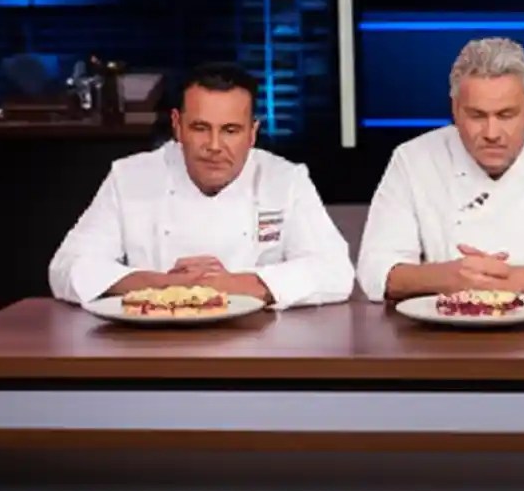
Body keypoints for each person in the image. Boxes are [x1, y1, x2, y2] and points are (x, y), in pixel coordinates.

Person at [48, 62, 354, 309]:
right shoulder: (130, 177)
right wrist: (164, 286)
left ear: (252, 132)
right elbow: (65, 269)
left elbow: (337, 272)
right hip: (151, 343)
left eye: (231, 130)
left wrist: (235, 284)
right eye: (200, 128)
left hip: (257, 344)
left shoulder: (285, 180)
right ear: (177, 125)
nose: (214, 146)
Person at [356, 37, 524, 302]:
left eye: (506, 115)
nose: (491, 133)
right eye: (477, 115)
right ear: (454, 109)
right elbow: (376, 270)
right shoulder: (413, 159)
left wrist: (503, 280)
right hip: (443, 335)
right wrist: (446, 277)